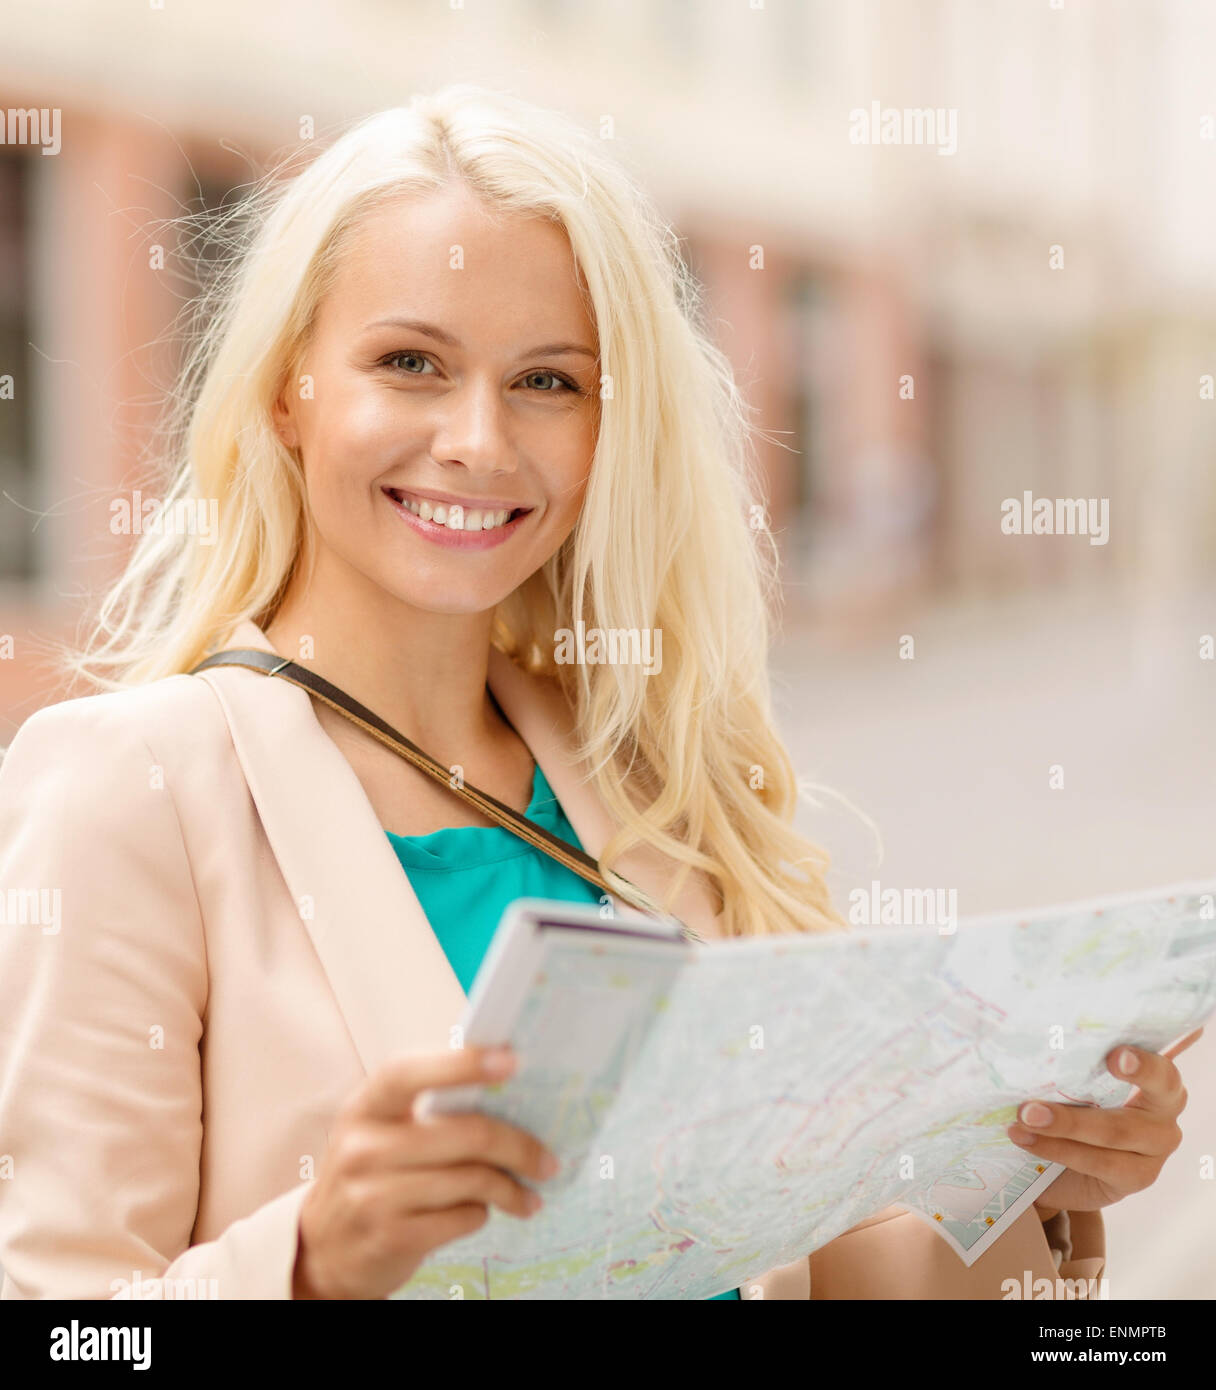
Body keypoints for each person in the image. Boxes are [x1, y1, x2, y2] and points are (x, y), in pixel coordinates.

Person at [0, 85, 1196, 1300]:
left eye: (549, 382)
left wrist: (1026, 1177)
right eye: (409, 362)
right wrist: (311, 1264)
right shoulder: (127, 787)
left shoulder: (656, 781)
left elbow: (824, 1270)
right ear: (286, 391)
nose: (479, 440)